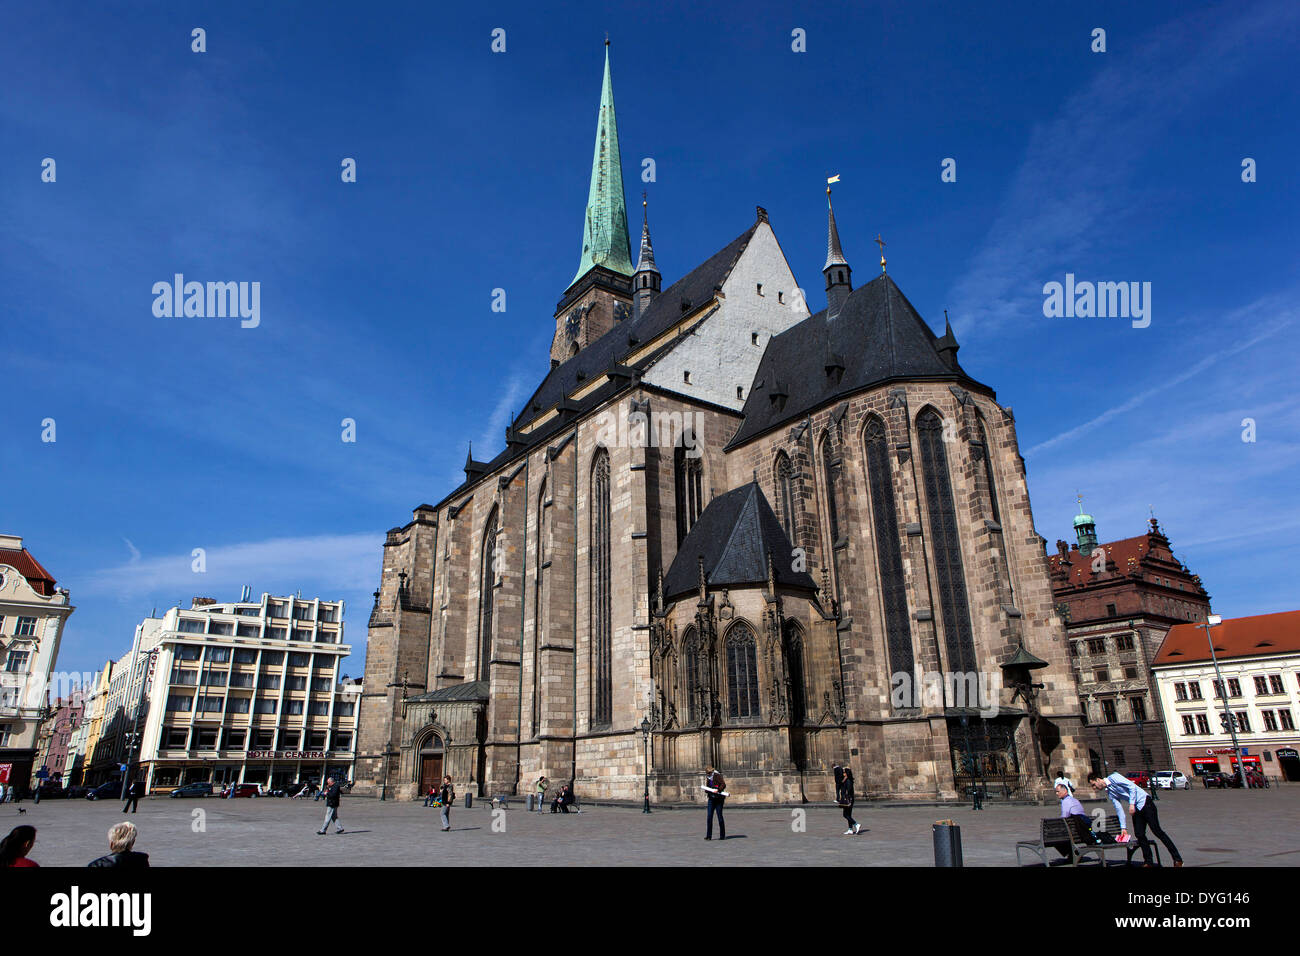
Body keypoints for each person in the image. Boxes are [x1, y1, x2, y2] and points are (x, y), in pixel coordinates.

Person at [1089, 771, 1183, 867]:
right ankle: (1148, 862)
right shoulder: (1109, 792)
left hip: (1145, 803)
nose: (1094, 788)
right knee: (1139, 834)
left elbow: (1132, 786)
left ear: (1098, 779)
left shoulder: (1114, 777)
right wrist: (1123, 828)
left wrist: (1131, 804)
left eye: (1094, 785)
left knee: (1157, 831)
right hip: (1136, 808)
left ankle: (1177, 859)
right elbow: (1119, 809)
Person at [703, 766, 726, 841]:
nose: (708, 774)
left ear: (712, 772)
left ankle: (722, 835)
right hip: (711, 798)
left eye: (709, 773)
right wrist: (707, 790)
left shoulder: (717, 775)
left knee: (719, 816)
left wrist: (718, 789)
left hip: (719, 799)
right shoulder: (708, 777)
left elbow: (723, 784)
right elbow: (708, 787)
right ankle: (709, 836)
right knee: (709, 817)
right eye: (707, 773)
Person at [840, 766, 860, 835]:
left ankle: (856, 824)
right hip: (849, 799)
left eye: (844, 772)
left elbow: (848, 790)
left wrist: (844, 797)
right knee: (848, 815)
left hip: (849, 799)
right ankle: (850, 829)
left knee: (845, 814)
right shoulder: (846, 780)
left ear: (846, 773)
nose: (843, 774)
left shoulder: (848, 781)